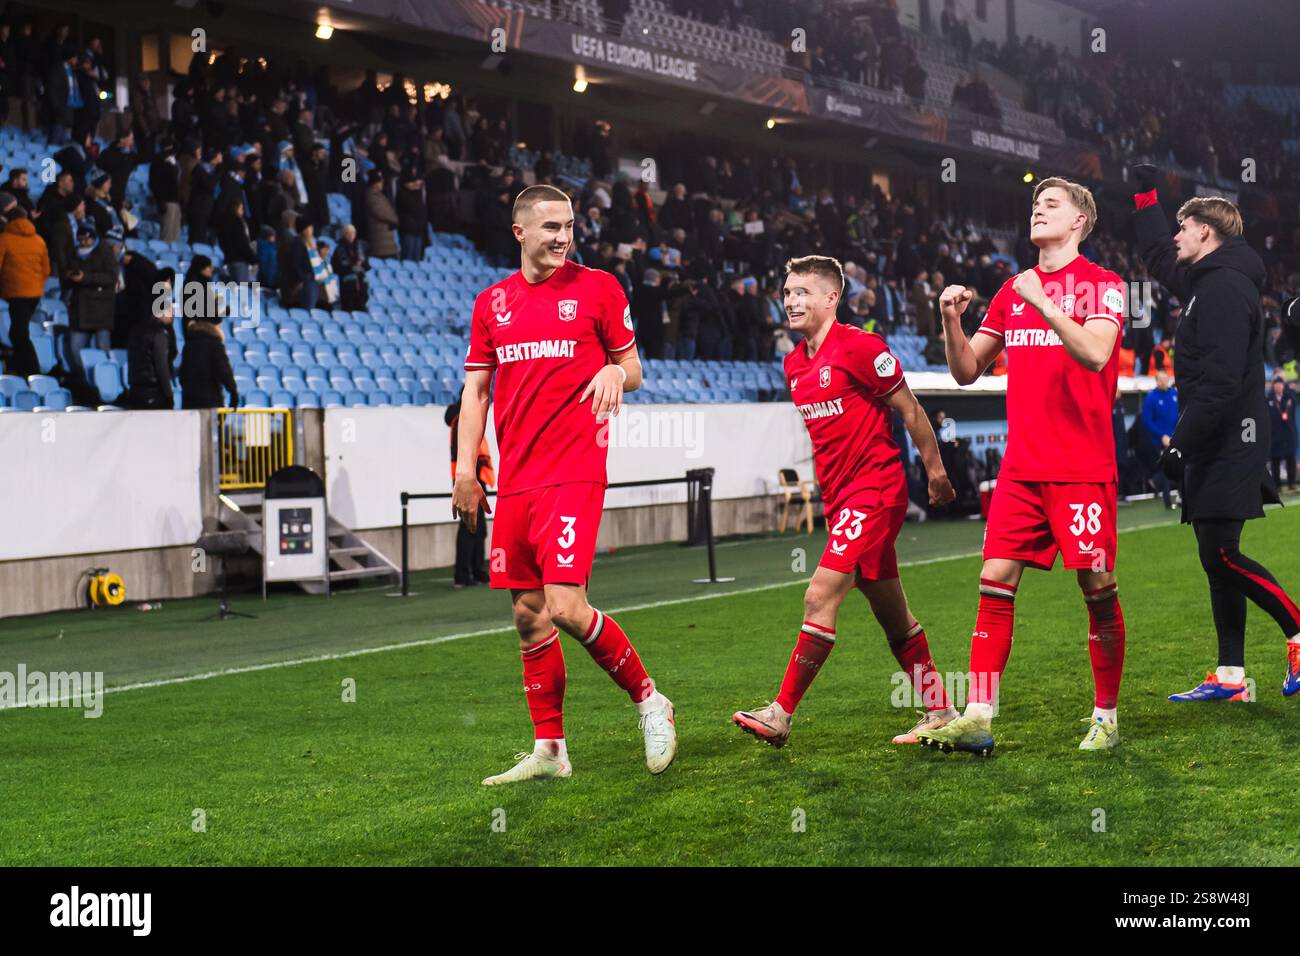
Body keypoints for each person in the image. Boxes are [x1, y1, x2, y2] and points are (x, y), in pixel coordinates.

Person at [453, 183, 677, 785]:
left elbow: (633, 368)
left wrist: (612, 368)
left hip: (575, 470)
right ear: (520, 231)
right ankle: (550, 749)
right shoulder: (491, 302)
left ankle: (651, 701)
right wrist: (465, 469)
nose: (564, 236)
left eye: (570, 225)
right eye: (551, 226)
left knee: (566, 607)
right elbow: (475, 392)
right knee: (529, 614)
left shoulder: (599, 287)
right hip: (518, 481)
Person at [922, 176, 1129, 755]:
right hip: (1021, 468)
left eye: (1051, 204)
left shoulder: (1103, 285)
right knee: (994, 581)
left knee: (1097, 587)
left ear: (1080, 221)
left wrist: (1046, 304)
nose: (1038, 210)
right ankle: (979, 715)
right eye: (1035, 204)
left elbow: (1095, 353)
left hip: (1082, 467)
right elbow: (967, 371)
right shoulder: (1013, 291)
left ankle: (1106, 717)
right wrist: (950, 319)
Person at [731, 256, 959, 748]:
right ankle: (940, 709)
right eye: (787, 291)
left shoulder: (860, 347)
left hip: (875, 491)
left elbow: (910, 408)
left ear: (832, 298)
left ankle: (781, 713)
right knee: (892, 613)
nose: (791, 300)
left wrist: (935, 470)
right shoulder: (794, 364)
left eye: (803, 292)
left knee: (819, 595)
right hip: (842, 503)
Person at [1129, 166, 1300, 700]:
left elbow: (1223, 381)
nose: (1176, 235)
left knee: (1223, 554)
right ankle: (1230, 677)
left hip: (1231, 437)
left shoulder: (1223, 286)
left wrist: (1183, 442)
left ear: (1206, 231)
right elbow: (1158, 253)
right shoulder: (1209, 279)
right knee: (1215, 553)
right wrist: (1145, 195)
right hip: (1221, 435)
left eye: (1183, 227)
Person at [444, 397, 492, 587]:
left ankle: (476, 571)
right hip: (469, 479)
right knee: (469, 529)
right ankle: (462, 575)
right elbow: (461, 452)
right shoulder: (462, 420)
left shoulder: (465, 419)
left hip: (475, 479)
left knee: (478, 530)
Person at [64, 222, 119, 386]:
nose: (82, 243)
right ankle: (85, 381)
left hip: (100, 309)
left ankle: (105, 383)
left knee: (103, 349)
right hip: (80, 309)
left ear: (93, 238)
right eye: (79, 239)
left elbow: (111, 278)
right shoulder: (73, 253)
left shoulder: (105, 253)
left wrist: (86, 278)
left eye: (85, 239)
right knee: (75, 349)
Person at [0, 207, 50, 377]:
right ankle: (22, 368)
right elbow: (46, 270)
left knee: (18, 333)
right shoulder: (38, 240)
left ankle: (30, 371)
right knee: (18, 331)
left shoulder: (5, 239)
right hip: (34, 294)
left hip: (16, 293)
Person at [179, 314, 238, 409]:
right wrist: (233, 391)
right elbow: (223, 369)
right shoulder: (214, 344)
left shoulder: (189, 344)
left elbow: (183, 374)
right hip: (210, 402)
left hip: (189, 402)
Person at [1141, 369, 1179, 508]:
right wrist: (1161, 435)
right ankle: (1167, 501)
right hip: (1160, 440)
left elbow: (1180, 415)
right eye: (1161, 379)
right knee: (1166, 469)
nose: (1164, 382)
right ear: (1156, 381)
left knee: (1181, 466)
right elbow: (1147, 421)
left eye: (1166, 379)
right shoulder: (1151, 397)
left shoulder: (1174, 394)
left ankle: (1181, 498)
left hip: (1176, 438)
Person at [1267, 377, 1297, 491]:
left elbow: (1294, 396)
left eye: (1280, 384)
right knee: (1275, 461)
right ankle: (1277, 485)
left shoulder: (1289, 398)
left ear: (1283, 386)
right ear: (1273, 386)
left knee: (1291, 459)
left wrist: (1289, 389)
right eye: (1276, 384)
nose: (1278, 386)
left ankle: (1291, 484)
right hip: (1275, 434)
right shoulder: (1269, 399)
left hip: (1288, 433)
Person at [364, 170, 398, 259]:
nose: (382, 183)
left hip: (387, 236)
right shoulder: (370, 195)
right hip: (379, 237)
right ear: (375, 183)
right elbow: (381, 212)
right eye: (381, 181)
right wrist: (395, 219)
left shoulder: (381, 195)